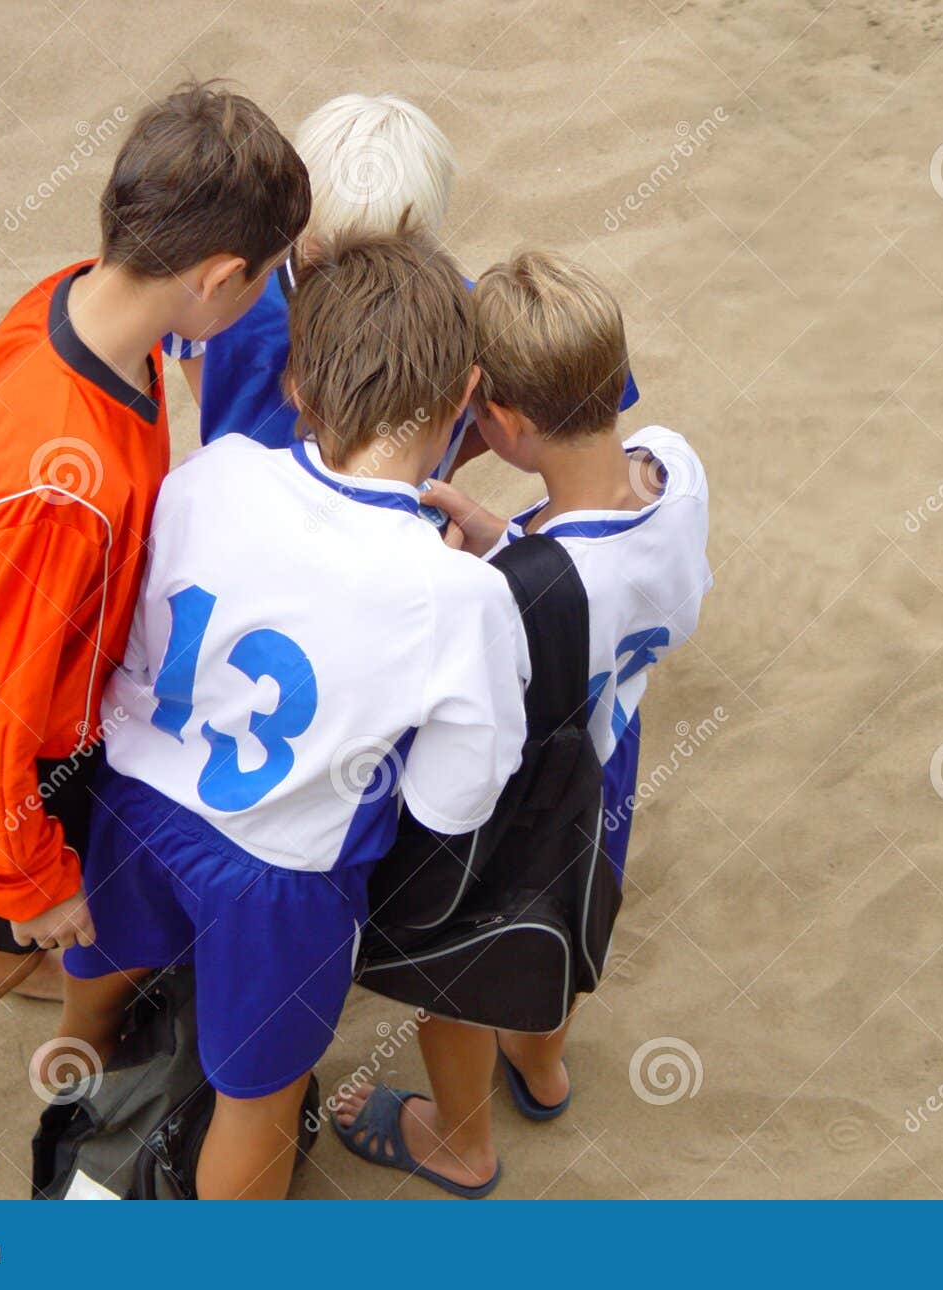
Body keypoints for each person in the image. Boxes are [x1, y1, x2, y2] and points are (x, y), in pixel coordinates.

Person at [0, 82, 309, 1200]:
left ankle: (10, 933)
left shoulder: (71, 298)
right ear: (218, 280)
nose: (260, 300)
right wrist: (19, 884)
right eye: (263, 280)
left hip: (18, 684)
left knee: (22, 915)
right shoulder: (65, 490)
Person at [51, 232, 529, 1201]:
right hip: (278, 873)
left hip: (138, 798)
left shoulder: (214, 472)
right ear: (466, 392)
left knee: (110, 955)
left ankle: (78, 1061)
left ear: (298, 383)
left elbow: (139, 648)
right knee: (256, 1097)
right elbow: (453, 799)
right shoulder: (456, 597)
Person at [334, 250, 712, 1195]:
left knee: (459, 962)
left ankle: (461, 1141)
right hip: (609, 758)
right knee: (576, 916)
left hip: (525, 793)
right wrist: (509, 538)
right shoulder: (673, 463)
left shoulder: (522, 595)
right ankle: (541, 1070)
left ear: (503, 422)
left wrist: (482, 570)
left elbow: (485, 692)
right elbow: (593, 574)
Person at [162, 91, 638, 477]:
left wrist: (445, 458)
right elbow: (191, 347)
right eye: (324, 259)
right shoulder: (234, 293)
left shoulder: (472, 314)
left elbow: (582, 394)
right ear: (299, 214)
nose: (347, 285)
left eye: (378, 264)